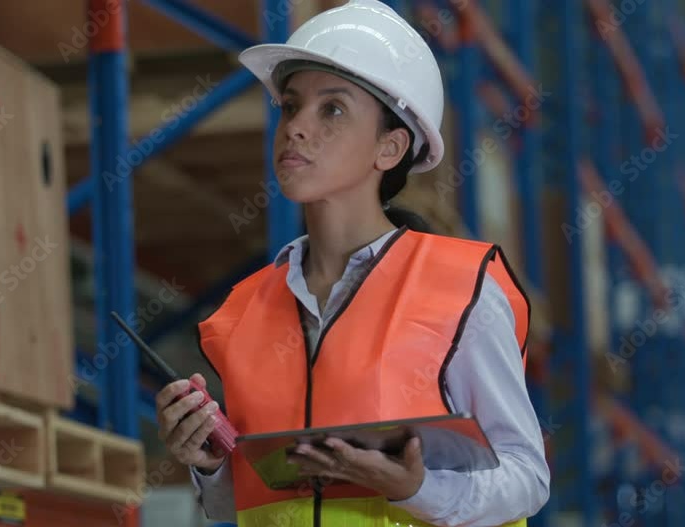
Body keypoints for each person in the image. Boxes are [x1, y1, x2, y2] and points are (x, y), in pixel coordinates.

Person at [154, 1, 551, 525]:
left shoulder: (460, 290)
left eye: (332, 109)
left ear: (390, 147)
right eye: (291, 106)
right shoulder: (245, 311)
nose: (296, 127)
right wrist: (209, 467)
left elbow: (528, 477)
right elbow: (255, 501)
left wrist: (419, 489)